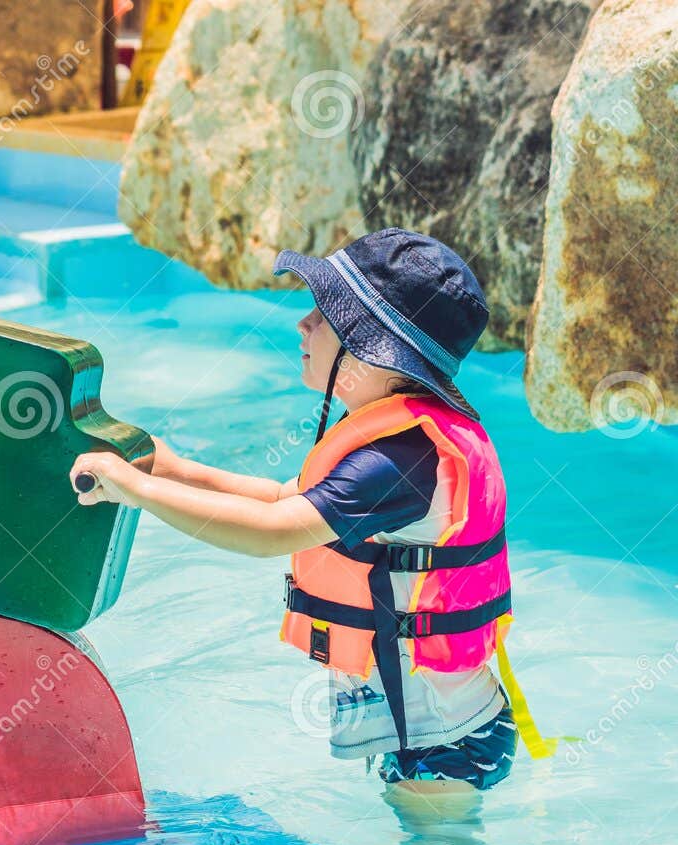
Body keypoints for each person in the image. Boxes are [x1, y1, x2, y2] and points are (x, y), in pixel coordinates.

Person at [69, 229, 554, 813]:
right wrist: (176, 470)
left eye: (324, 314)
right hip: (438, 726)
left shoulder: (395, 462)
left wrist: (135, 490)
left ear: (374, 348)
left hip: (442, 746)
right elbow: (279, 499)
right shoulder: (397, 442)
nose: (303, 325)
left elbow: (272, 533)